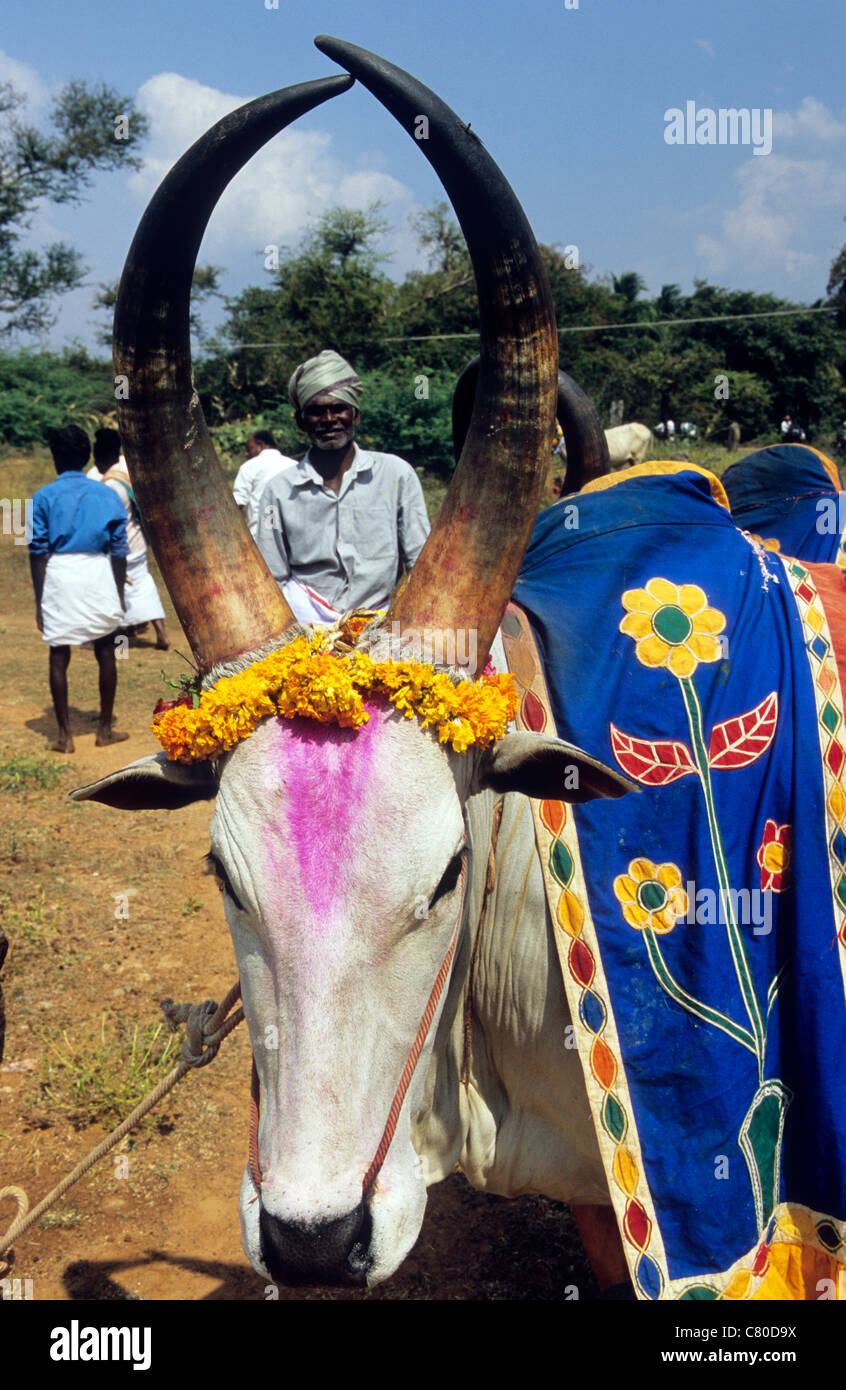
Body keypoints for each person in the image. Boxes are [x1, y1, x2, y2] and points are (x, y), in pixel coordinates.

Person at [255, 349, 430, 621]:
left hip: (380, 618)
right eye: (315, 411)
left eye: (338, 408)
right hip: (304, 621)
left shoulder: (396, 475)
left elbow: (421, 562)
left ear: (355, 416)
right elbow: (271, 575)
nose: (328, 419)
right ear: (302, 421)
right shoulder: (277, 491)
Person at [29, 425, 130, 752]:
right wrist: (119, 593)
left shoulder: (43, 496)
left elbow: (38, 551)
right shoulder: (106, 493)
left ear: (55, 458)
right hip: (98, 573)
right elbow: (118, 549)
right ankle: (104, 730)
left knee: (59, 653)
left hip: (60, 573)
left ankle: (64, 736)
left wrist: (39, 599)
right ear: (87, 456)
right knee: (106, 651)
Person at [94, 428, 169, 650]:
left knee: (113, 587)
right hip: (138, 540)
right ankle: (161, 632)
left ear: (102, 457)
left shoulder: (110, 485)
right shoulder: (127, 471)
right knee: (143, 585)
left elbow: (107, 522)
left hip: (120, 546)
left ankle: (114, 637)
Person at [232, 430, 296, 538]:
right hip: (293, 536)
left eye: (248, 449)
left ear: (260, 445)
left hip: (260, 537)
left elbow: (236, 504)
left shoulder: (248, 467)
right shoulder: (294, 465)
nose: (246, 453)